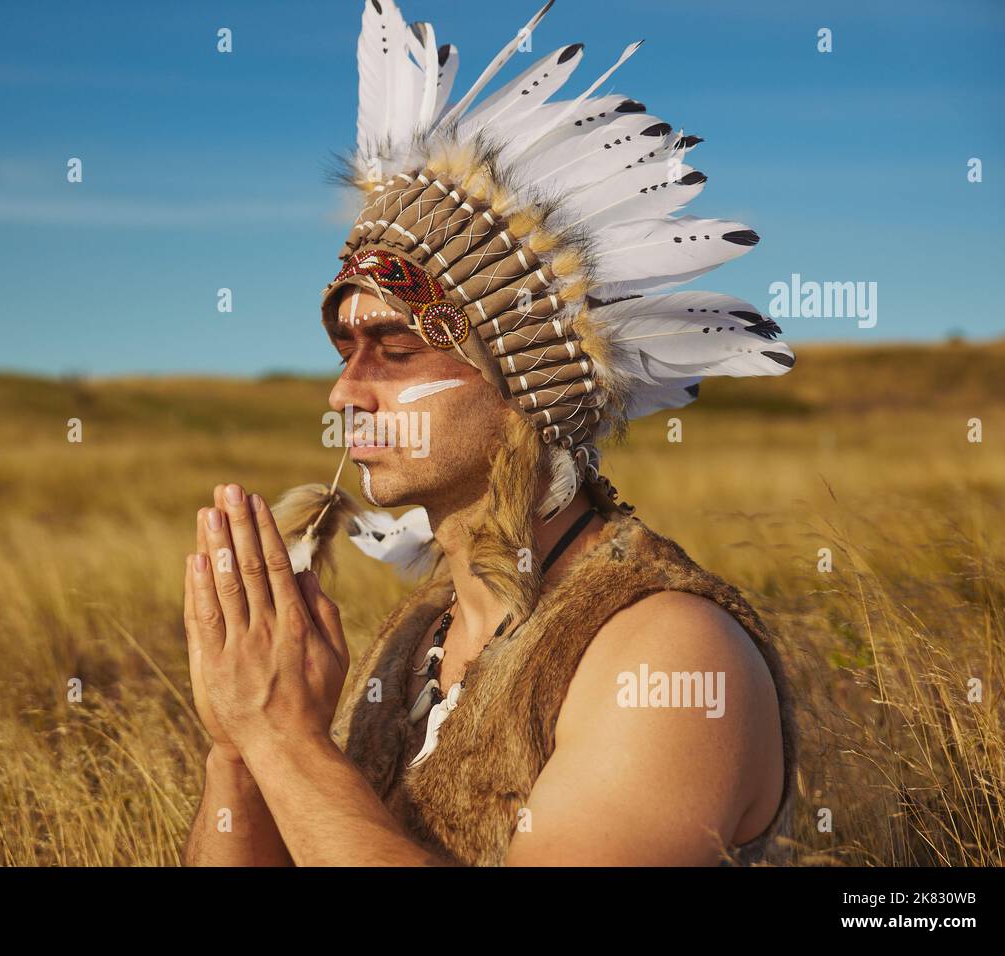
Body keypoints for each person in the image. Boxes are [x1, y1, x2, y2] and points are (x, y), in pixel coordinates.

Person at [182, 0, 797, 866]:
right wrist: (238, 744)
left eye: (395, 348)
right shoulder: (417, 639)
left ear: (524, 388)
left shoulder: (663, 652)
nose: (344, 389)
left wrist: (286, 739)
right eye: (344, 347)